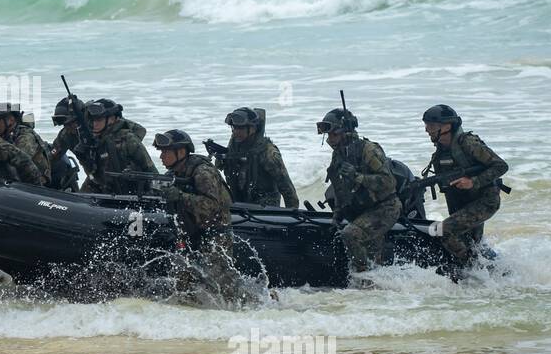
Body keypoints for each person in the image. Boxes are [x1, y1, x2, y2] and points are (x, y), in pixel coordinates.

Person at [153, 129, 239, 300]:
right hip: (190, 236)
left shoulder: (202, 172)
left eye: (166, 152)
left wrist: (179, 196)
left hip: (215, 237)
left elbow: (212, 206)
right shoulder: (173, 175)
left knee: (224, 292)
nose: (162, 156)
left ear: (181, 151)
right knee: (183, 287)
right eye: (161, 152)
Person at [421, 104, 509, 268]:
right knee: (471, 242)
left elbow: (501, 166)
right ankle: (498, 270)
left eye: (431, 126)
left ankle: (474, 269)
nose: (427, 130)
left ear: (447, 126)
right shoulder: (441, 151)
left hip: (484, 201)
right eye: (426, 125)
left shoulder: (468, 144)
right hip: (462, 203)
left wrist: (473, 182)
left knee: (443, 231)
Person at [317, 108, 401, 273]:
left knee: (350, 234)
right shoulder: (339, 154)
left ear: (345, 132)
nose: (330, 140)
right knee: (374, 258)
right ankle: (372, 281)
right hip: (363, 211)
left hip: (385, 208)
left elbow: (389, 182)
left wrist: (358, 177)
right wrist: (337, 215)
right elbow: (340, 188)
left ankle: (363, 278)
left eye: (333, 135)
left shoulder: (368, 150)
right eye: (328, 136)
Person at [216, 107, 298, 208]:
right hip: (239, 204)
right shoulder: (235, 144)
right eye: (234, 127)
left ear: (253, 129)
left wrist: (291, 216)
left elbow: (288, 189)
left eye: (240, 128)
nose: (236, 132)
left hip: (264, 209)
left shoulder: (268, 153)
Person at [85, 98, 156, 194]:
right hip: (106, 192)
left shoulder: (128, 140)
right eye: (93, 120)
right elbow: (93, 174)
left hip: (132, 195)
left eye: (99, 120)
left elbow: (151, 171)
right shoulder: (95, 141)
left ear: (111, 119)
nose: (95, 124)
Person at [0, 102, 51, 185]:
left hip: (37, 184)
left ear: (11, 120)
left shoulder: (25, 137)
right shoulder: (8, 137)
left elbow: (21, 162)